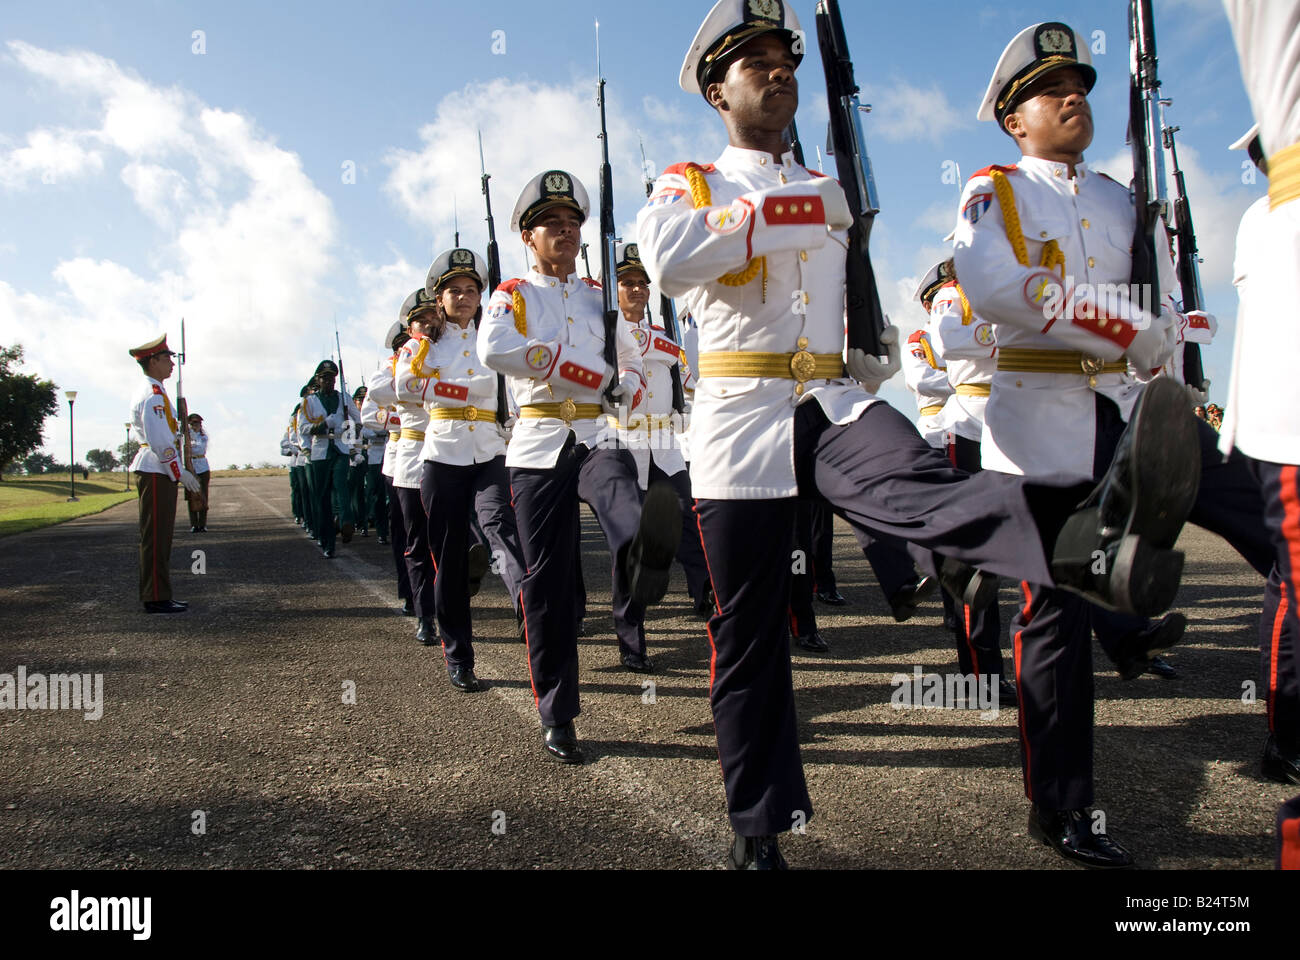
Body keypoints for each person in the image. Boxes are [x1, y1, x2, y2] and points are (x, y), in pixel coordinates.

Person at [638, 3, 1198, 869]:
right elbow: (670, 255)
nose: (777, 69)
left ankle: (1085, 547)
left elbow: (840, 302)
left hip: (831, 404)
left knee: (923, 483)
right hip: (738, 419)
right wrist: (790, 209)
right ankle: (759, 824)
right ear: (717, 90)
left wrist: (869, 348)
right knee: (746, 634)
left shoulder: (834, 185)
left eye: (785, 56)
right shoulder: (695, 183)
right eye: (753, 61)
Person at [479, 168, 682, 764]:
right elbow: (497, 350)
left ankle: (645, 559)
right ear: (528, 237)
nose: (564, 233)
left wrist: (623, 384)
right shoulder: (511, 296)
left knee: (630, 509)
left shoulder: (601, 297)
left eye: (573, 225)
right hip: (540, 444)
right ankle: (559, 712)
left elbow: (629, 355)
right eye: (552, 225)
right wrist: (570, 366)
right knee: (546, 586)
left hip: (595, 435)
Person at [400, 247, 527, 692]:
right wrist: (463, 392)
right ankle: (459, 656)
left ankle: (525, 607)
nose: (464, 296)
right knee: (450, 559)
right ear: (441, 298)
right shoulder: (424, 344)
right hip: (444, 454)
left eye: (471, 289)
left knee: (501, 524)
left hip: (492, 450)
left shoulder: (496, 333)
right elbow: (406, 386)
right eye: (454, 290)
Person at [608, 241, 713, 617]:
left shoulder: (662, 333)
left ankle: (706, 594)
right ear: (612, 287)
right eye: (627, 282)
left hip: (665, 444)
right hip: (622, 440)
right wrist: (665, 347)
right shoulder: (607, 331)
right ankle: (630, 613)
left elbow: (686, 377)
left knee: (687, 520)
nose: (637, 289)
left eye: (643, 282)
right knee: (632, 530)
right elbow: (642, 346)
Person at [128, 334, 201, 613]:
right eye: (167, 358)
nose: (172, 363)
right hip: (156, 469)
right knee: (156, 537)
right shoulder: (153, 395)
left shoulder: (156, 391)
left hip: (159, 469)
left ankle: (159, 593)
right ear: (154, 361)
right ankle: (155, 596)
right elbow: (160, 442)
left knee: (161, 536)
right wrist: (179, 471)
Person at [362, 323, 415, 614]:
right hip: (399, 457)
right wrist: (403, 421)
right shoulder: (388, 369)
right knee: (404, 530)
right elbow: (370, 414)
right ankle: (409, 591)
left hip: (437, 450)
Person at [300, 360, 360, 558]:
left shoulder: (344, 398)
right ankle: (327, 541)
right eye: (325, 378)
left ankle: (346, 522)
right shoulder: (309, 402)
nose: (329, 382)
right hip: (320, 451)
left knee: (342, 486)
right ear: (318, 379)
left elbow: (358, 420)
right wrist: (324, 424)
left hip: (340, 448)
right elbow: (304, 429)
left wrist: (350, 433)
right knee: (323, 497)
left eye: (332, 378)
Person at [185, 413, 210, 532]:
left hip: (202, 466)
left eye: (197, 423)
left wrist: (193, 438)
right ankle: (194, 524)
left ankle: (203, 524)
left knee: (203, 495)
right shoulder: (186, 436)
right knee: (192, 496)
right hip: (190, 466)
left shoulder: (203, 436)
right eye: (192, 423)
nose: (195, 425)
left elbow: (199, 448)